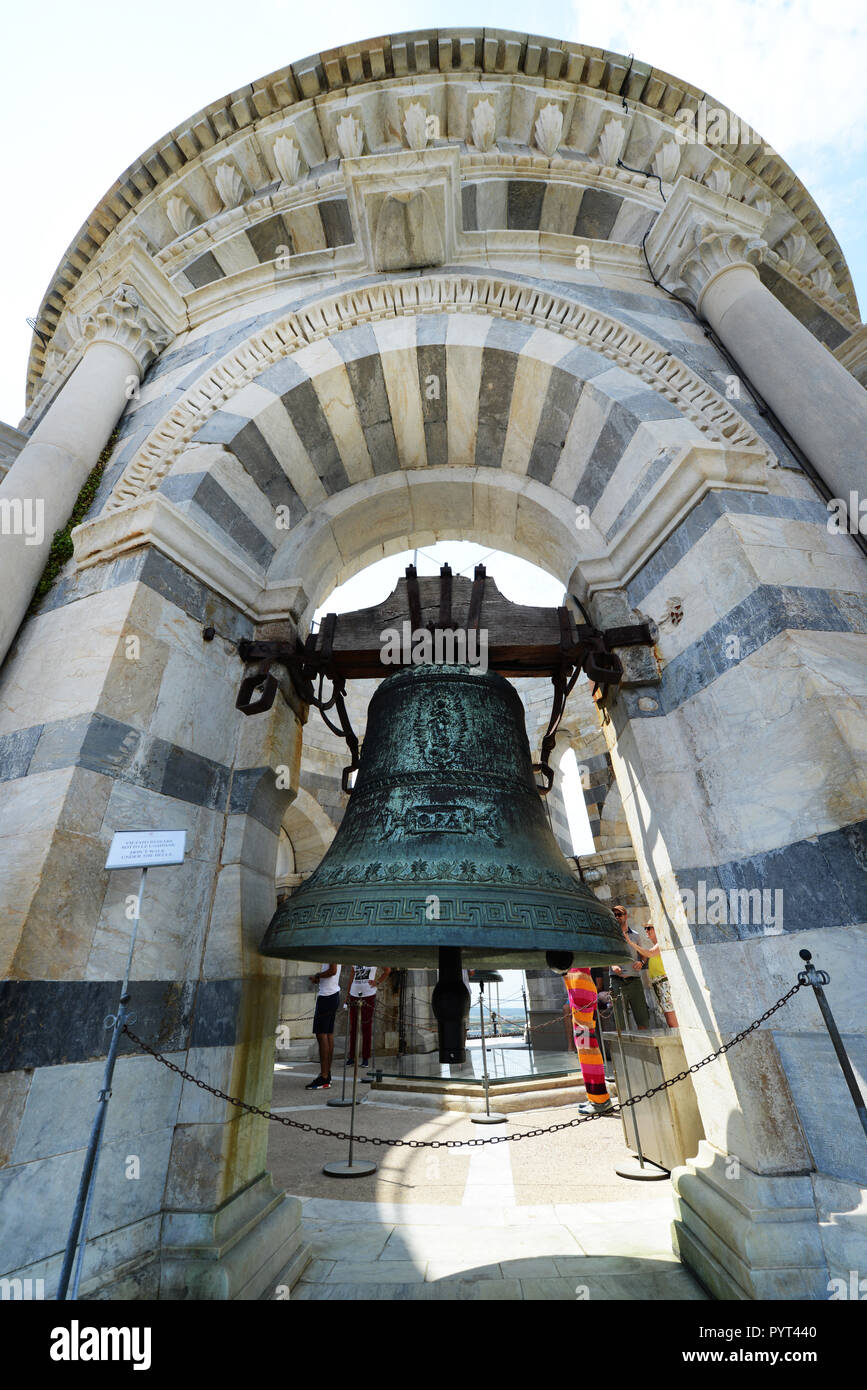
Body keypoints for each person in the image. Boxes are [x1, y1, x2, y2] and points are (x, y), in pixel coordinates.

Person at [563, 966, 614, 1115]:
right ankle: (595, 1097)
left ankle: (600, 1100)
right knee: (586, 1049)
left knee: (587, 1051)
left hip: (581, 993)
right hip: (581, 991)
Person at [608, 905, 651, 1030]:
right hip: (617, 981)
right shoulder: (610, 935)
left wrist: (641, 963)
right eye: (614, 915)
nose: (617, 917)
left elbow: (644, 955)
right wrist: (613, 964)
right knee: (619, 1022)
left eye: (619, 915)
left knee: (642, 1019)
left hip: (634, 981)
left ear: (625, 916)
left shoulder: (636, 935)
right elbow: (606, 955)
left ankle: (645, 1048)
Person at [346, 965, 391, 1067]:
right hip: (354, 994)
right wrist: (348, 994)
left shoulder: (373, 957)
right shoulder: (355, 957)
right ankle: (352, 1057)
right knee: (353, 1027)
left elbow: (387, 970)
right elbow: (351, 976)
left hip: (368, 994)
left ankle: (365, 1058)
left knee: (366, 1026)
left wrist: (377, 982)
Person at [305, 963, 341, 1090]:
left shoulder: (333, 948)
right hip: (331, 994)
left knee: (322, 1035)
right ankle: (326, 1074)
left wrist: (318, 975)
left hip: (327, 996)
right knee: (328, 1034)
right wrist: (319, 978)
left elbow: (332, 970)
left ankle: (324, 1076)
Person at [643, 922, 678, 1027]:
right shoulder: (654, 946)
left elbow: (649, 953)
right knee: (666, 1018)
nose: (646, 931)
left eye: (649, 928)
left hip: (664, 983)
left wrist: (630, 942)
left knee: (671, 1019)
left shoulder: (661, 943)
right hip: (657, 984)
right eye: (645, 928)